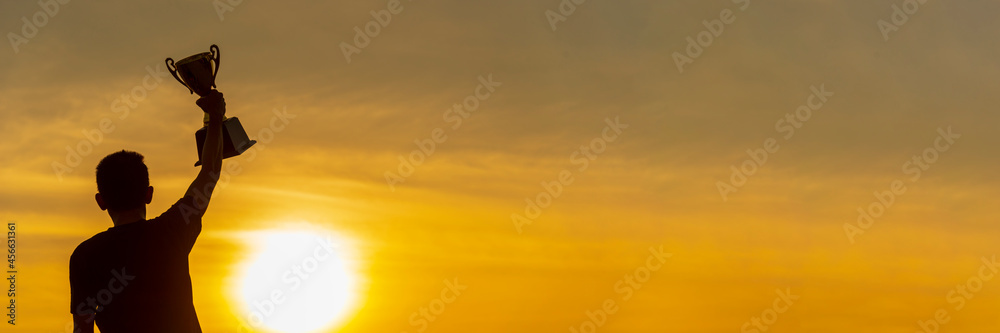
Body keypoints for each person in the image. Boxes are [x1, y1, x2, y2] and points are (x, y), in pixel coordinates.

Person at [69, 91, 227, 333]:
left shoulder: (84, 255)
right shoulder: (173, 229)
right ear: (148, 194)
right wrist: (215, 119)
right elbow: (210, 171)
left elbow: (82, 328)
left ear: (101, 201)